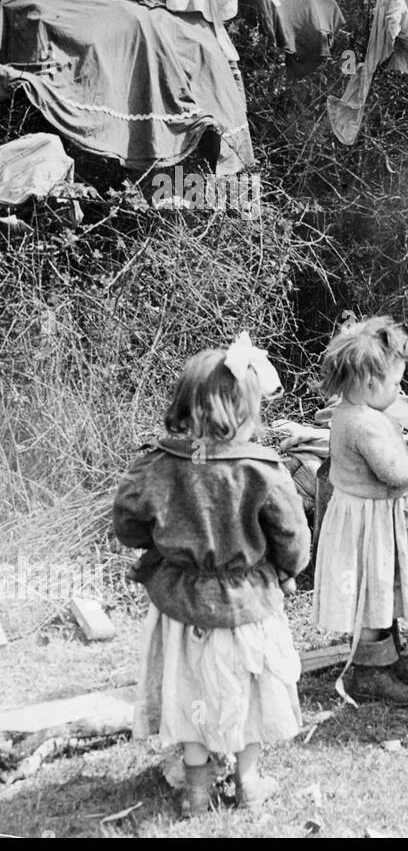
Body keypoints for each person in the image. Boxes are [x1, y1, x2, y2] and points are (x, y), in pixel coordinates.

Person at [113, 333, 309, 816]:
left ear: (187, 404)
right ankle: (248, 780)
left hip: (180, 600)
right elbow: (292, 537)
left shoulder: (157, 465)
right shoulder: (261, 469)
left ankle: (197, 789)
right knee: (248, 690)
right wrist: (287, 571)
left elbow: (127, 524)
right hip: (246, 603)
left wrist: (163, 546)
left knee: (191, 690)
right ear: (245, 410)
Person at [312, 316, 408, 704]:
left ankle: (389, 660)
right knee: (372, 597)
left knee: (383, 592)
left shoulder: (353, 413)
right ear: (369, 383)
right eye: (396, 384)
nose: (400, 391)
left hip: (370, 517)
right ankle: (370, 674)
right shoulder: (363, 424)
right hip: (368, 524)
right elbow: (393, 472)